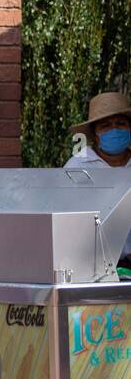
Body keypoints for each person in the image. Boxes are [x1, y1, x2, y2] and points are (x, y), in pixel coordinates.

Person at [65, 90, 131, 265]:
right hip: (92, 264)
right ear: (94, 134)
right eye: (106, 125)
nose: (114, 130)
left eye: (121, 123)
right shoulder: (78, 167)